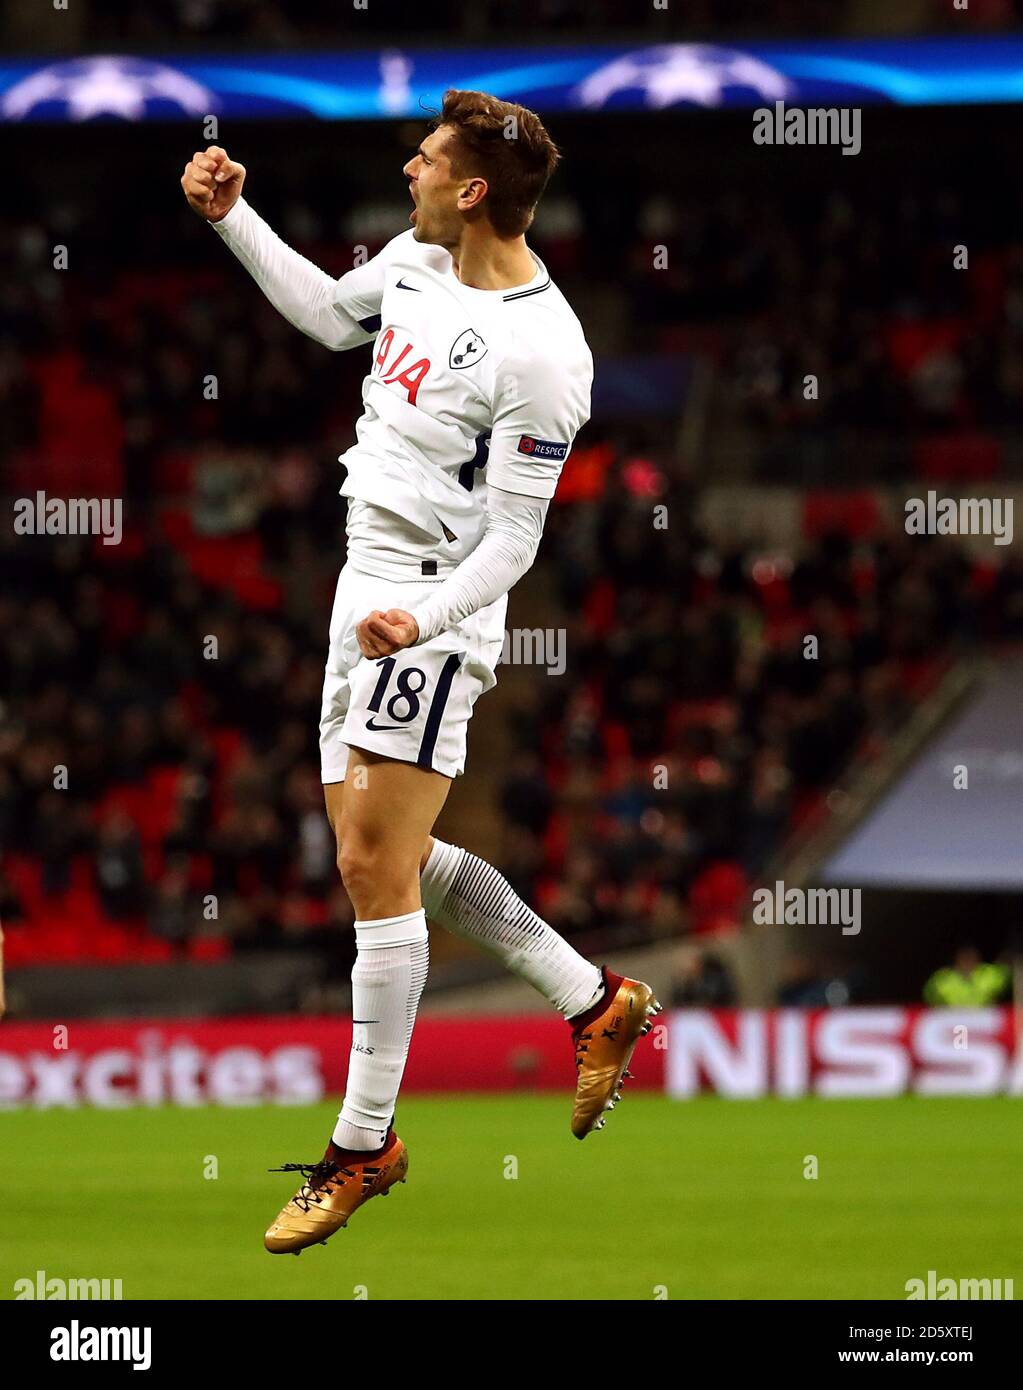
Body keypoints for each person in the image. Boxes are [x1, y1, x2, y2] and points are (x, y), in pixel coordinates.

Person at [180, 88, 661, 1256]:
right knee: (382, 848)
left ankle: (362, 1145)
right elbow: (326, 317)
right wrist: (235, 218)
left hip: (435, 607)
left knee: (365, 861)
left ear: (474, 186)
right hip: (365, 586)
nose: (409, 169)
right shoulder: (414, 256)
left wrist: (423, 616)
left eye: (427, 158)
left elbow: (514, 540)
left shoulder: (547, 353)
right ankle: (595, 999)